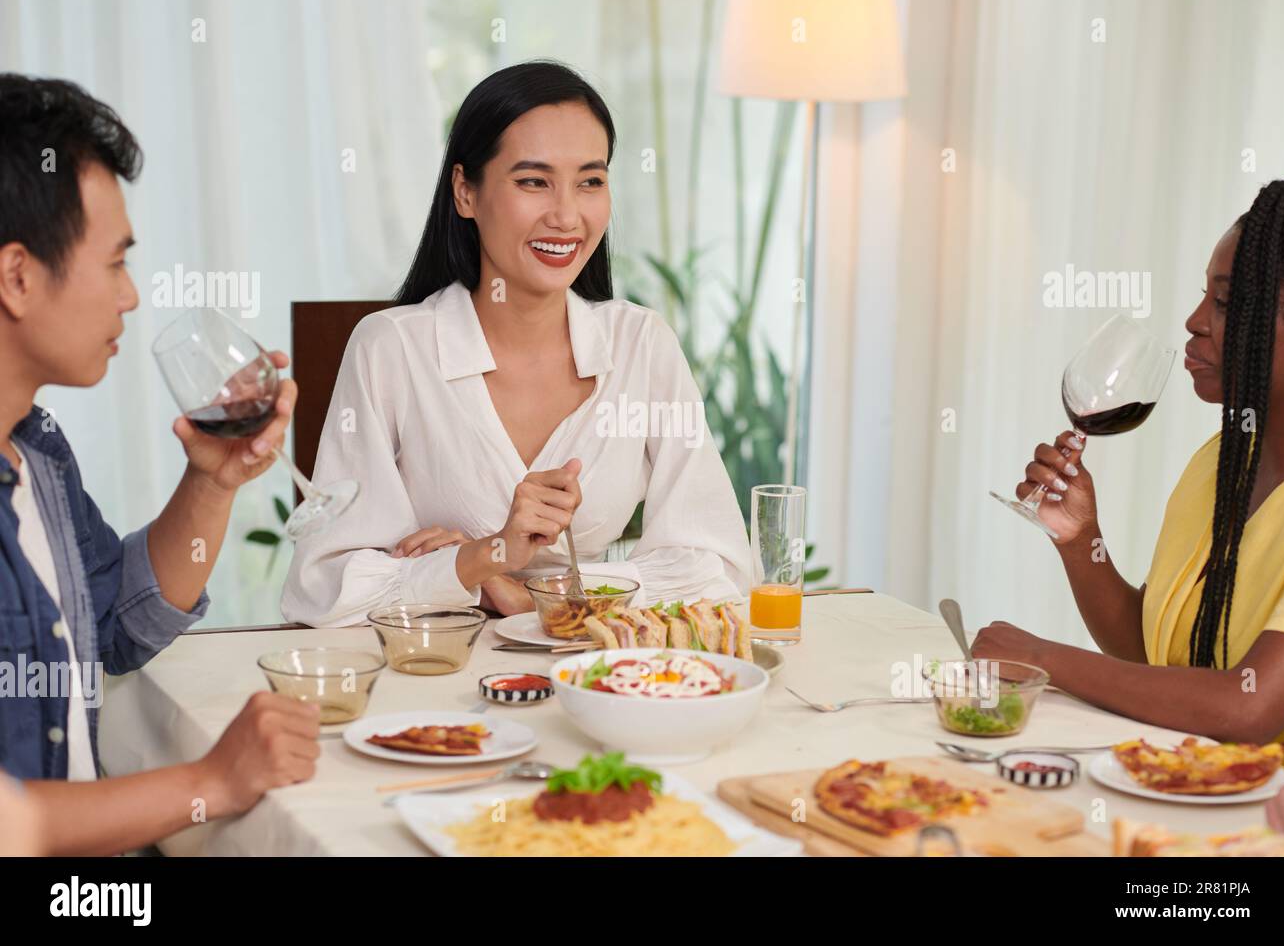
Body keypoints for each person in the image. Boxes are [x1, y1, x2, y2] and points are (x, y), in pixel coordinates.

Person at [282, 61, 749, 627]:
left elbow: (720, 570)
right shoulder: (391, 349)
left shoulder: (641, 345)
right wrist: (480, 562)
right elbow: (323, 588)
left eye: (590, 181)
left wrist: (539, 597)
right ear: (465, 192)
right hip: (436, 672)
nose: (567, 216)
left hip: (593, 668)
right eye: (533, 181)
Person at [0, 73, 319, 855]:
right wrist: (210, 782)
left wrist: (213, 479)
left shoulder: (37, 451)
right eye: (115, 263)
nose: (132, 297)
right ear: (17, 277)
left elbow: (116, 626)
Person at [973, 180, 1284, 769]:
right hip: (1183, 787)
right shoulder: (1221, 461)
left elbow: (1250, 709)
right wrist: (1081, 541)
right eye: (1205, 297)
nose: (1194, 322)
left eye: (1226, 303)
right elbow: (1152, 656)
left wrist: (1042, 660)